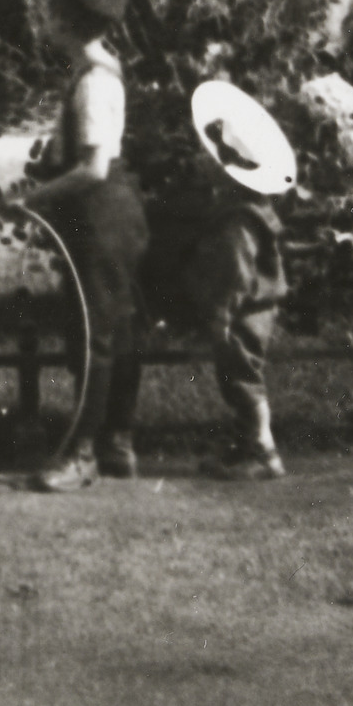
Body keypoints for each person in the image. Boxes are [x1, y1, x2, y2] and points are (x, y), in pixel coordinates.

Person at [9, 0, 149, 493]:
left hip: (101, 214)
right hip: (111, 211)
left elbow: (92, 166)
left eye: (50, 9)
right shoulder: (96, 71)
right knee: (116, 327)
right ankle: (117, 442)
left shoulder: (93, 82)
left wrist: (36, 197)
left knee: (94, 334)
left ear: (66, 20)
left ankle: (84, 452)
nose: (43, 16)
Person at [124, 77, 299, 479]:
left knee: (240, 376)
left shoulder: (236, 223)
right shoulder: (251, 213)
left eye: (216, 161)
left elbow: (234, 274)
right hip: (255, 306)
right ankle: (247, 446)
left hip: (241, 311)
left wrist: (221, 314)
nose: (207, 164)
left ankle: (262, 450)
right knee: (238, 375)